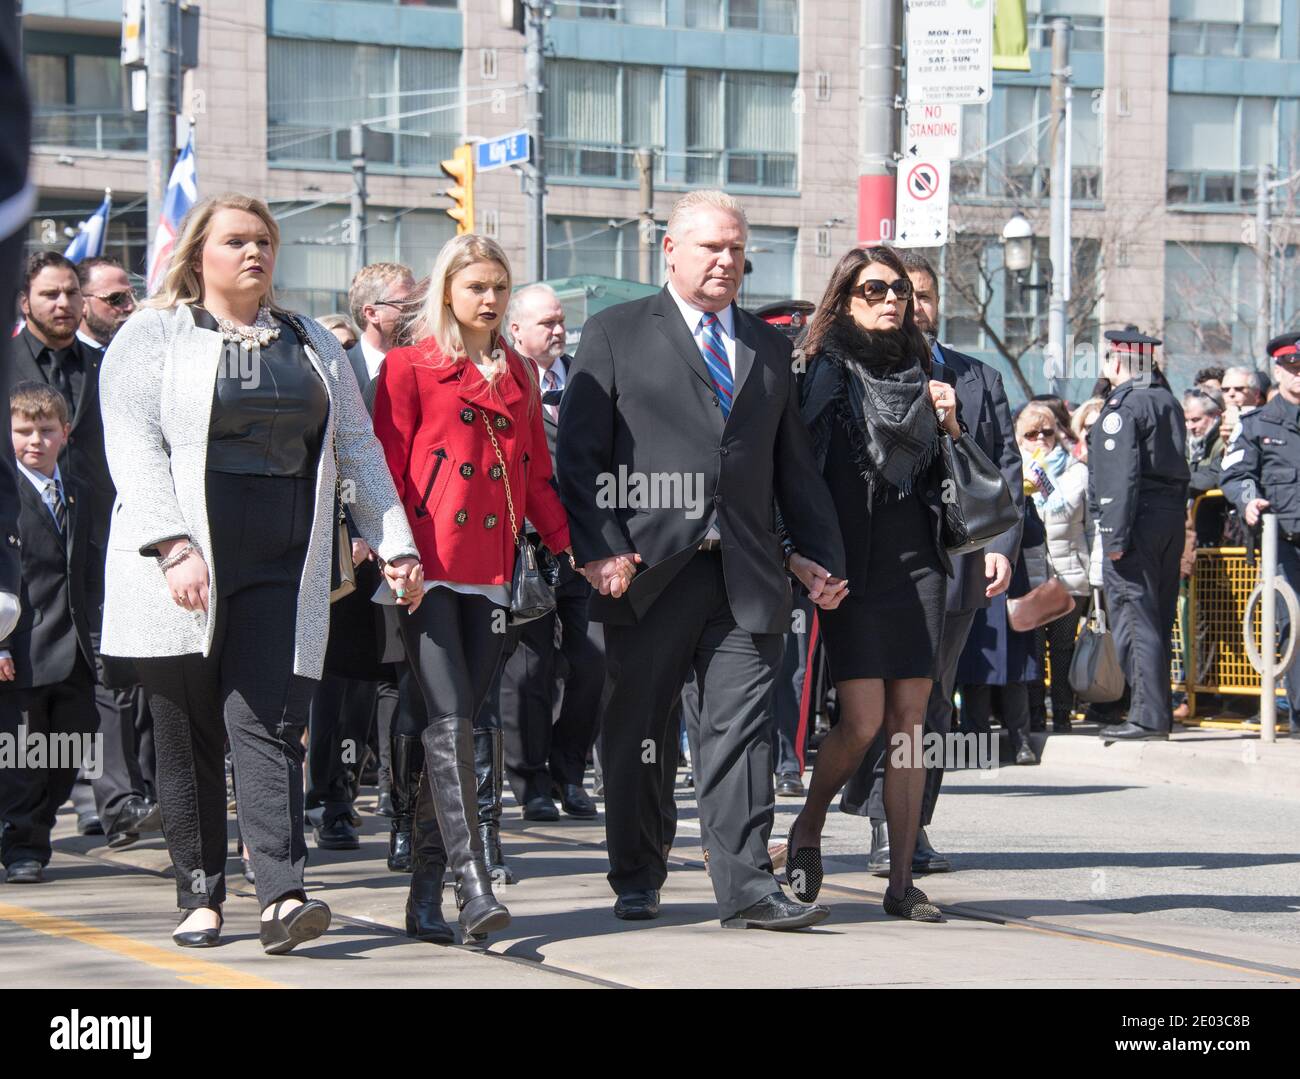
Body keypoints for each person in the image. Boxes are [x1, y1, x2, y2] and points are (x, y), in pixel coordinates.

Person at [99, 193, 423, 953]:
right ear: (200, 255)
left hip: (285, 555)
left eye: (266, 241)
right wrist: (172, 544)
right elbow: (135, 444)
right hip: (182, 558)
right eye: (237, 241)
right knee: (186, 733)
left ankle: (282, 893)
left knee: (271, 721)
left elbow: (357, 446)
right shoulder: (154, 333)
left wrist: (395, 540)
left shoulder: (309, 339)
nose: (255, 253)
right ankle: (201, 894)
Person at [557, 189, 847, 931]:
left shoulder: (768, 344)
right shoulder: (617, 332)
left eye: (738, 248)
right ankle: (637, 868)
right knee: (641, 730)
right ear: (671, 251)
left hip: (746, 574)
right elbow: (580, 457)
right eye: (713, 246)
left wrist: (816, 556)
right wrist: (599, 548)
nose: (727, 260)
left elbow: (794, 468)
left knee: (743, 734)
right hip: (648, 572)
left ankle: (748, 885)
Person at [372, 233, 571, 943]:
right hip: (423, 568)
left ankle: (425, 897)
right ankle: (473, 881)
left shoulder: (517, 370)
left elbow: (538, 474)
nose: (488, 300)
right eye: (475, 287)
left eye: (498, 287)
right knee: (452, 719)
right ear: (446, 288)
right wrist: (393, 550)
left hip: (492, 572)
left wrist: (570, 546)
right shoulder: (409, 366)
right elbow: (384, 468)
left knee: (455, 728)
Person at [783, 244, 958, 923]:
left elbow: (950, 471)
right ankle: (809, 823)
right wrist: (802, 551)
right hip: (851, 561)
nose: (893, 300)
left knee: (911, 725)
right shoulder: (824, 370)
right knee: (861, 721)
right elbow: (797, 469)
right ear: (846, 298)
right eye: (875, 289)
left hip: (918, 559)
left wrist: (948, 418)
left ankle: (903, 879)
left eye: (901, 292)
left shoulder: (926, 368)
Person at [839, 248, 1019, 877]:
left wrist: (1000, 550)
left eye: (919, 294)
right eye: (892, 292)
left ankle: (905, 831)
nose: (908, 305)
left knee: (930, 703)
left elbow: (1001, 472)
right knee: (872, 705)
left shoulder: (978, 378)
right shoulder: (848, 369)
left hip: (956, 564)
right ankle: (859, 808)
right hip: (875, 561)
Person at [497, 283, 602, 823]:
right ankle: (531, 780)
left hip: (582, 546)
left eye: (561, 321)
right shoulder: (505, 378)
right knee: (531, 668)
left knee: (593, 660)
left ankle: (570, 771)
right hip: (526, 547)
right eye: (546, 323)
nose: (558, 331)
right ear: (517, 331)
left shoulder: (583, 377)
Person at [0, 383, 99, 884]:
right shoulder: (6, 493)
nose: (34, 441)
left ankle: (27, 824)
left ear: (65, 433)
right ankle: (25, 846)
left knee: (70, 746)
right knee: (22, 754)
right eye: (23, 431)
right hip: (19, 646)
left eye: (45, 430)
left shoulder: (79, 488)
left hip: (75, 645)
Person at [1088, 329, 1189, 742]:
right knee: (1157, 620)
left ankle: (1147, 716)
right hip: (1167, 518)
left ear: (1115, 363)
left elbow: (1119, 477)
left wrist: (1113, 536)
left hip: (1134, 520)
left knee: (1134, 618)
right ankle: (1156, 712)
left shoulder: (1123, 406)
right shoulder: (1167, 400)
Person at [1220, 332, 1300, 735]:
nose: (1299, 374)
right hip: (1283, 543)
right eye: (1292, 367)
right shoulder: (1256, 424)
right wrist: (1248, 500)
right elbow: (1236, 474)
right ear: (1278, 371)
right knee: (1295, 626)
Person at [1017, 403, 1090, 733]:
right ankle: (1033, 715)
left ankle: (1062, 713)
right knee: (1030, 650)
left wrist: (1040, 479)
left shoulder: (1074, 468)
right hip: (1028, 577)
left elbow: (1065, 510)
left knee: (1062, 649)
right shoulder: (1011, 468)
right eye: (1031, 433)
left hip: (1067, 575)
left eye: (1046, 431)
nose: (1040, 439)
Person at [75, 256, 136, 350]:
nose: (130, 307)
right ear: (82, 304)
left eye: (131, 296)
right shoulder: (60, 358)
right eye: (116, 298)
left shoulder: (140, 352)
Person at [1070, 397, 1104, 462]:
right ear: (1079, 430)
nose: (1097, 432)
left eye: (1102, 426)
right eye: (1091, 427)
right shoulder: (1071, 461)